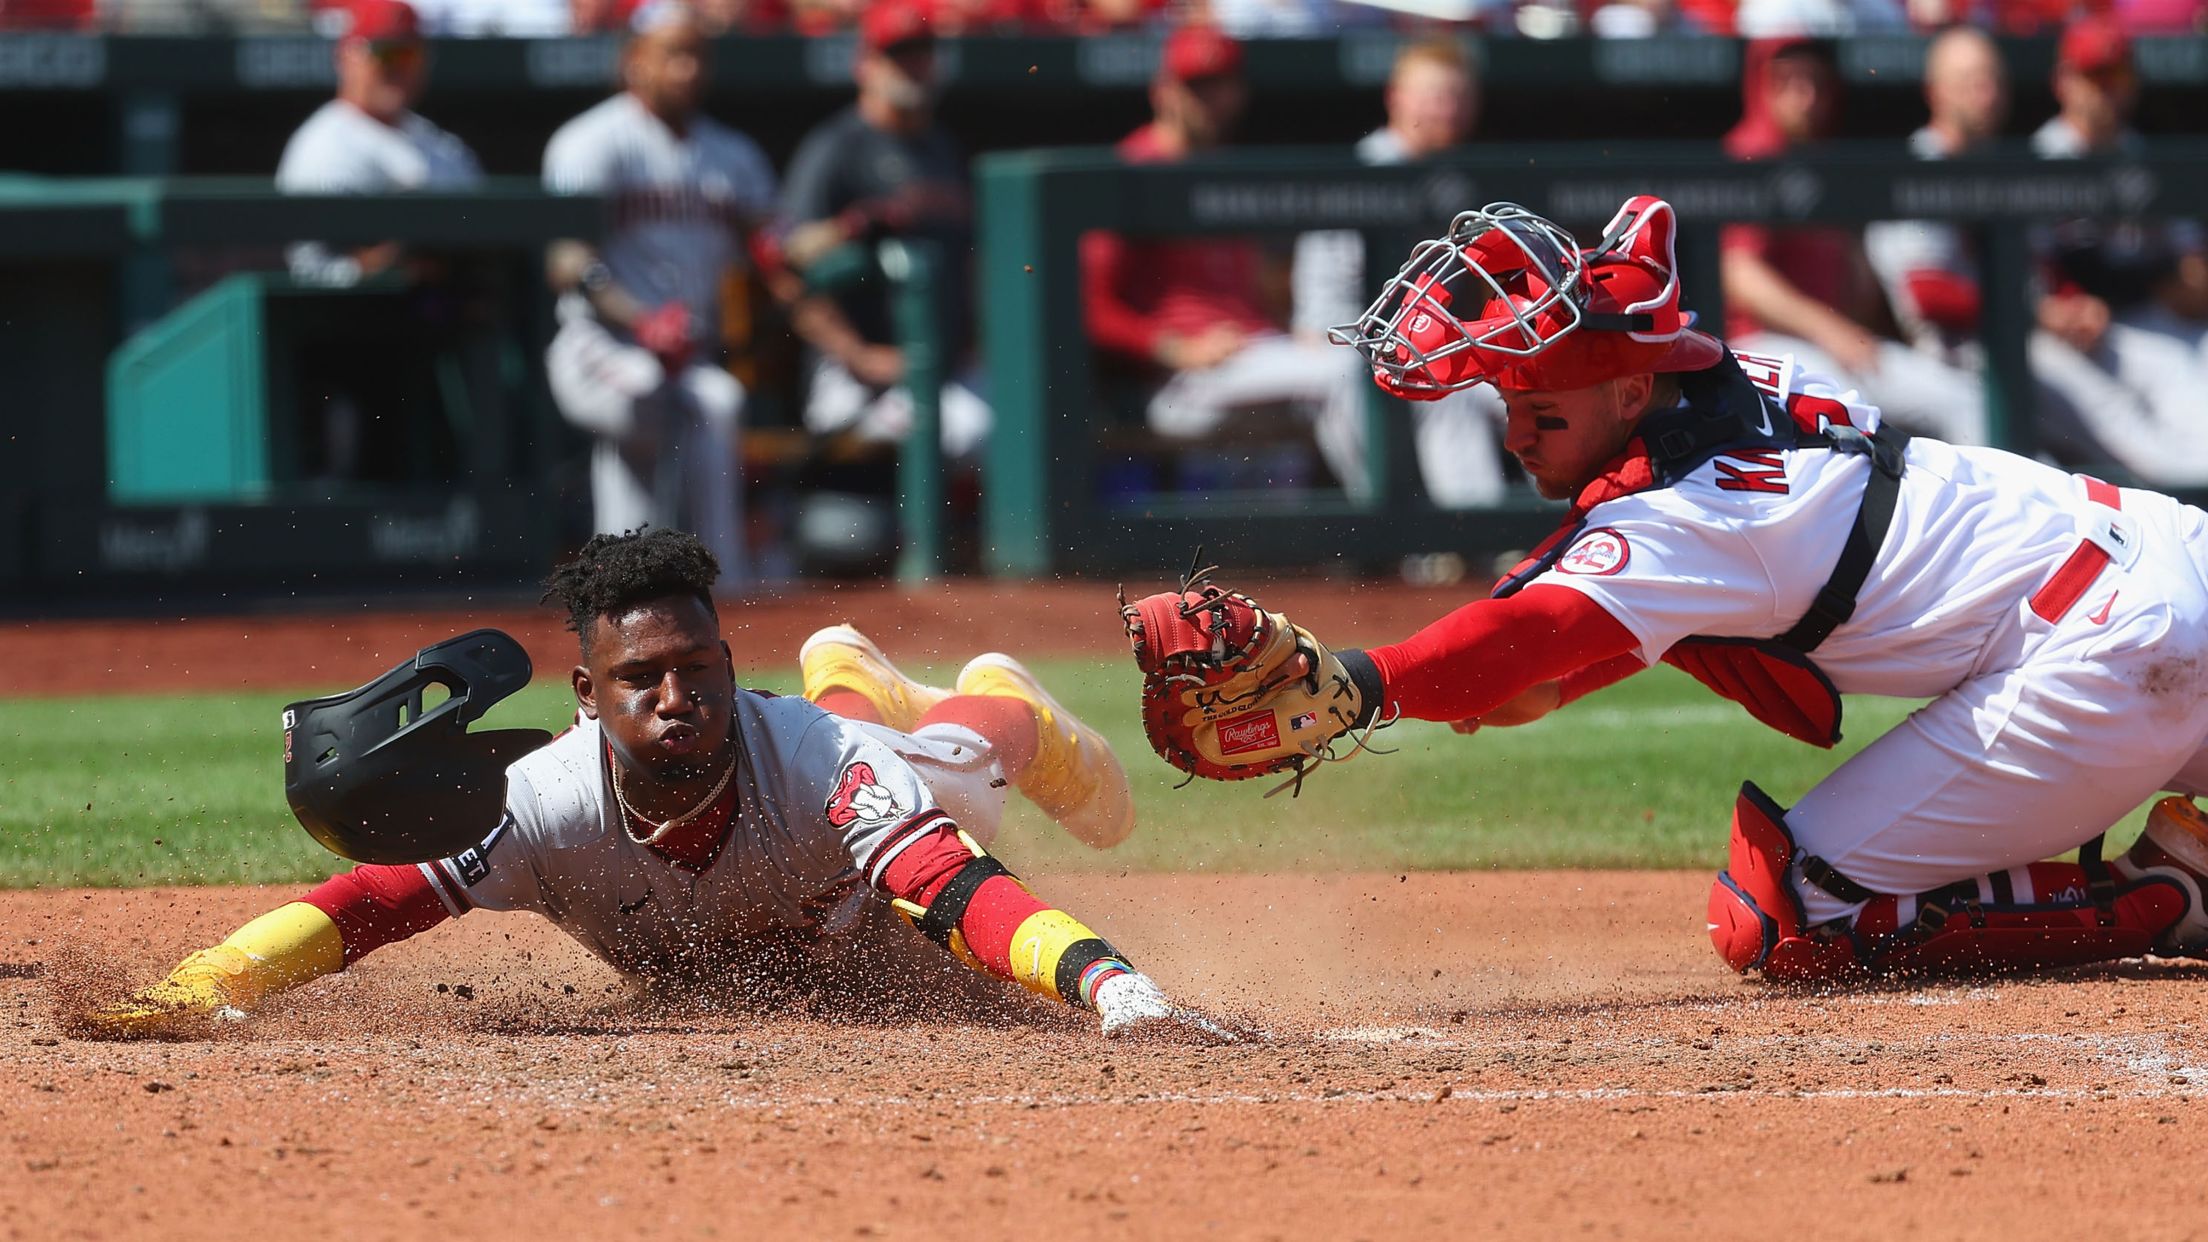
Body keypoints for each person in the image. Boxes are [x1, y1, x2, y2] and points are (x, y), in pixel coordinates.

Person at [1226, 195, 2208, 982]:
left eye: (1541, 409)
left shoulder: (1682, 514)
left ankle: (2160, 891)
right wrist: (1502, 685)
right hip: (2162, 550)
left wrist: (1352, 682)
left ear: (1625, 395)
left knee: (1778, 918)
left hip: (2103, 652)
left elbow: (1518, 638)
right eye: (1508, 405)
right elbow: (1550, 663)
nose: (1518, 435)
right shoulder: (1735, 377)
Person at [84, 528, 1234, 1042]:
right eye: (642, 679)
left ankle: (1007, 702)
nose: (675, 696)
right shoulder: (543, 802)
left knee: (961, 754)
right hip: (807, 799)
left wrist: (1106, 984)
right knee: (834, 748)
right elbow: (371, 901)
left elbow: (957, 888)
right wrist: (200, 987)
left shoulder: (834, 773)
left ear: (731, 668)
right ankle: (844, 670)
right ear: (589, 695)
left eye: (700, 670)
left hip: (863, 801)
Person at [1081, 23, 1373, 497]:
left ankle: (1349, 551)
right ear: (1163, 91)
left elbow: (1249, 288)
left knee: (1344, 378)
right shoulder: (1132, 169)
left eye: (1220, 86)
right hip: (1181, 378)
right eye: (1196, 87)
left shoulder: (1228, 169)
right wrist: (1171, 347)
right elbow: (1089, 307)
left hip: (1251, 359)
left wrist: (1290, 322)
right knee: (1347, 376)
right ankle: (1404, 532)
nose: (1209, 100)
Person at [543, 7, 776, 585]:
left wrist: (846, 229)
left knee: (718, 401)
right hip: (600, 343)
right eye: (671, 53)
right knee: (645, 395)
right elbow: (565, 259)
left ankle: (726, 585)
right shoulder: (590, 140)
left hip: (683, 353)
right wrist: (642, 319)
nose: (687, 68)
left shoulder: (733, 154)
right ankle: (617, 585)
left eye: (697, 54)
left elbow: (776, 246)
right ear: (633, 62)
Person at [1720, 37, 1988, 446]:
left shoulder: (1823, 157)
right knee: (1852, 411)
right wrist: (1828, 328)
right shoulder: (1752, 150)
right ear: (1762, 86)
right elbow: (1740, 275)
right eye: (1788, 82)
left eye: (1814, 83)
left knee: (1963, 400)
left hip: (1835, 342)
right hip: (1765, 345)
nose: (1804, 97)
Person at [1292, 37, 1509, 508]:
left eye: (1459, 97)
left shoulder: (1450, 172)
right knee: (1427, 385)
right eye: (1434, 95)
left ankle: (1550, 534)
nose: (1448, 109)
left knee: (1534, 382)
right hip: (1338, 341)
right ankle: (1424, 535)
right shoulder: (1369, 170)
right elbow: (1343, 306)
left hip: (1416, 343)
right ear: (1396, 98)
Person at [776, 0, 991, 458]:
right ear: (865, 64)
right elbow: (787, 265)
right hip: (851, 372)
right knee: (963, 427)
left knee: (1023, 419)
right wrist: (859, 355)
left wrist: (975, 342)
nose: (914, 67)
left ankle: (998, 533)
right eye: (898, 55)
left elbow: (972, 262)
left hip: (941, 366)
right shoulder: (835, 148)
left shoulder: (944, 149)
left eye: (922, 53)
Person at [2025, 16, 2208, 482]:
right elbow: (2027, 269)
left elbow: (2191, 274)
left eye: (2116, 76)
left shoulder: (2143, 156)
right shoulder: (2042, 158)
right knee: (2151, 460)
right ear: (2064, 80)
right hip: (2070, 335)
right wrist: (2060, 306)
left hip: (2146, 321)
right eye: (2094, 75)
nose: (2106, 90)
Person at [276, 0, 483, 289]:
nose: (398, 66)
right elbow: (312, 269)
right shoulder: (325, 146)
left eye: (410, 54)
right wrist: (387, 263)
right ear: (347, 57)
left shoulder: (438, 143)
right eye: (385, 52)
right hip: (359, 320)